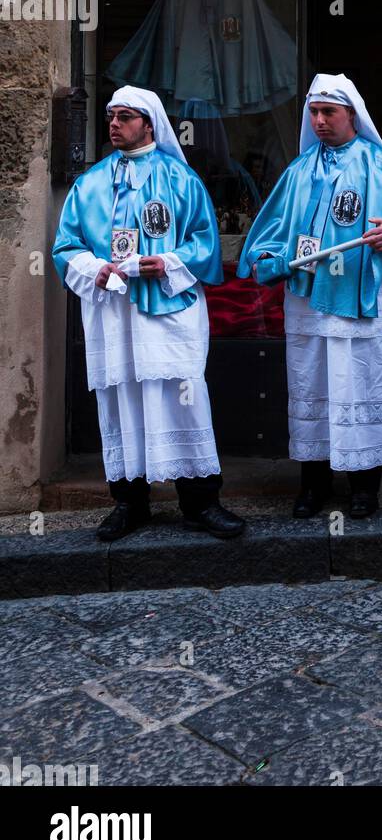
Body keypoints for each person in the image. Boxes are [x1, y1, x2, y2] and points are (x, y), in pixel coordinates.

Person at [52, 87, 246, 541]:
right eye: (111, 117)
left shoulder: (182, 180)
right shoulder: (91, 183)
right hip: (114, 311)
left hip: (167, 310)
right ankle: (129, 503)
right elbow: (65, 246)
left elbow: (204, 243)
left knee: (183, 397)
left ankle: (200, 503)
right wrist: (93, 269)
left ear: (149, 124)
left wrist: (168, 263)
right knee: (120, 403)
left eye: (125, 116)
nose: (114, 124)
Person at [238, 74, 382, 519]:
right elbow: (268, 229)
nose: (320, 120)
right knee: (313, 384)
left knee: (362, 383)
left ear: (352, 115)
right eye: (314, 112)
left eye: (329, 112)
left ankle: (365, 486)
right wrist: (267, 255)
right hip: (309, 300)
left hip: (365, 296)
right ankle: (314, 483)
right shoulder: (298, 171)